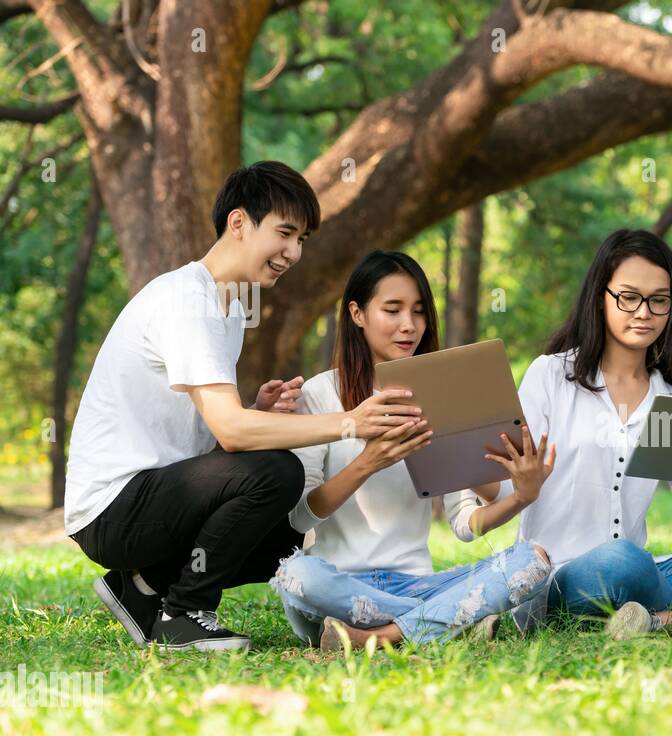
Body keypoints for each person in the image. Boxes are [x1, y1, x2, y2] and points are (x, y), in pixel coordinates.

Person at [66, 162, 423, 651]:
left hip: (151, 497)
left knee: (286, 531)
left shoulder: (228, 307)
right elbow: (234, 435)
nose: (294, 253)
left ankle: (143, 585)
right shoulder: (187, 302)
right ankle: (183, 616)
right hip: (112, 507)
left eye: (302, 240)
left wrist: (258, 408)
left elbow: (211, 436)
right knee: (276, 473)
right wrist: (347, 423)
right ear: (239, 223)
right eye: (285, 233)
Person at [469, 229, 672, 639]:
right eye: (629, 297)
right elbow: (500, 488)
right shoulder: (552, 376)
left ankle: (659, 620)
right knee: (625, 560)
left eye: (658, 300)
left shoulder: (670, 397)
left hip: (641, 572)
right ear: (600, 296)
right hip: (561, 576)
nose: (644, 312)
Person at [268, 251, 553, 650]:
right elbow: (299, 518)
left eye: (419, 311)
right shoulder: (320, 394)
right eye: (393, 309)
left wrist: (522, 496)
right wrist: (368, 462)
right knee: (298, 576)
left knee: (532, 561)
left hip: (416, 582)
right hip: (336, 581)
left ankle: (384, 635)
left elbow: (465, 524)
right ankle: (448, 618)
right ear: (357, 313)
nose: (409, 325)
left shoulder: (441, 393)